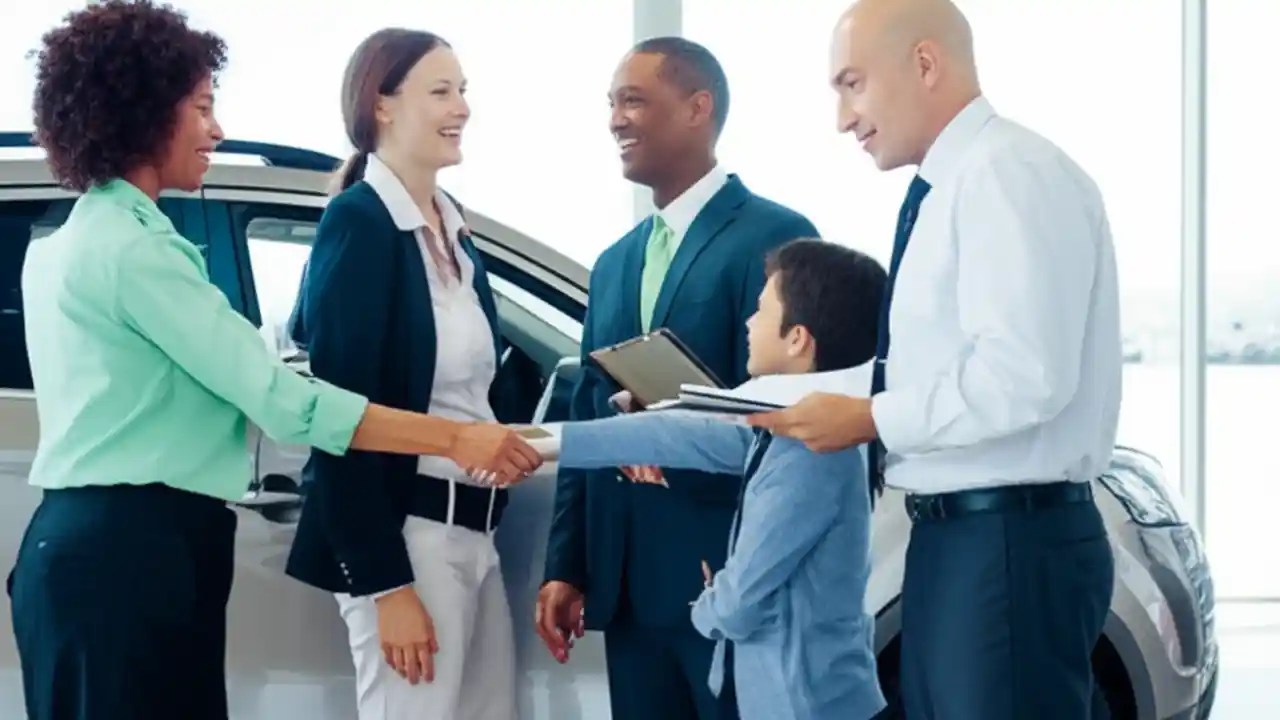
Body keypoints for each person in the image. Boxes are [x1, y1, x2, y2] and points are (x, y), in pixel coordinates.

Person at [5, 4, 539, 720]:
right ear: (139, 113)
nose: (216, 129)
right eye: (201, 107)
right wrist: (454, 437)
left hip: (92, 544)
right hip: (129, 553)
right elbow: (284, 402)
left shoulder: (65, 243)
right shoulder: (136, 251)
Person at [750, 1, 1121, 718]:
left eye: (851, 83)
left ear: (924, 62)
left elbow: (1024, 376)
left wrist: (868, 419)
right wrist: (761, 401)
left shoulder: (1006, 174)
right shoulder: (955, 186)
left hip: (1005, 545)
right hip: (968, 543)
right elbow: (922, 370)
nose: (843, 117)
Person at [537, 36, 819, 720]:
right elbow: (586, 418)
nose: (614, 118)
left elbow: (803, 420)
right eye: (611, 102)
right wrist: (567, 564)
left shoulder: (780, 239)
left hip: (728, 580)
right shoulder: (613, 263)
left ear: (699, 108)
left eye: (633, 99)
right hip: (630, 587)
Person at [283, 29, 523, 720]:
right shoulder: (360, 223)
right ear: (382, 106)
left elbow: (477, 396)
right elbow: (339, 417)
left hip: (476, 539)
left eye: (464, 90)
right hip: (410, 540)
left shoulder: (454, 229)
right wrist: (386, 588)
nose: (463, 107)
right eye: (441, 91)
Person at [548, 239, 888, 720]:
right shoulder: (781, 430)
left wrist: (709, 602)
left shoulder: (808, 453)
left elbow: (738, 603)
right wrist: (543, 443)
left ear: (797, 338)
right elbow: (676, 436)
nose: (749, 324)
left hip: (808, 704)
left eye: (761, 310)